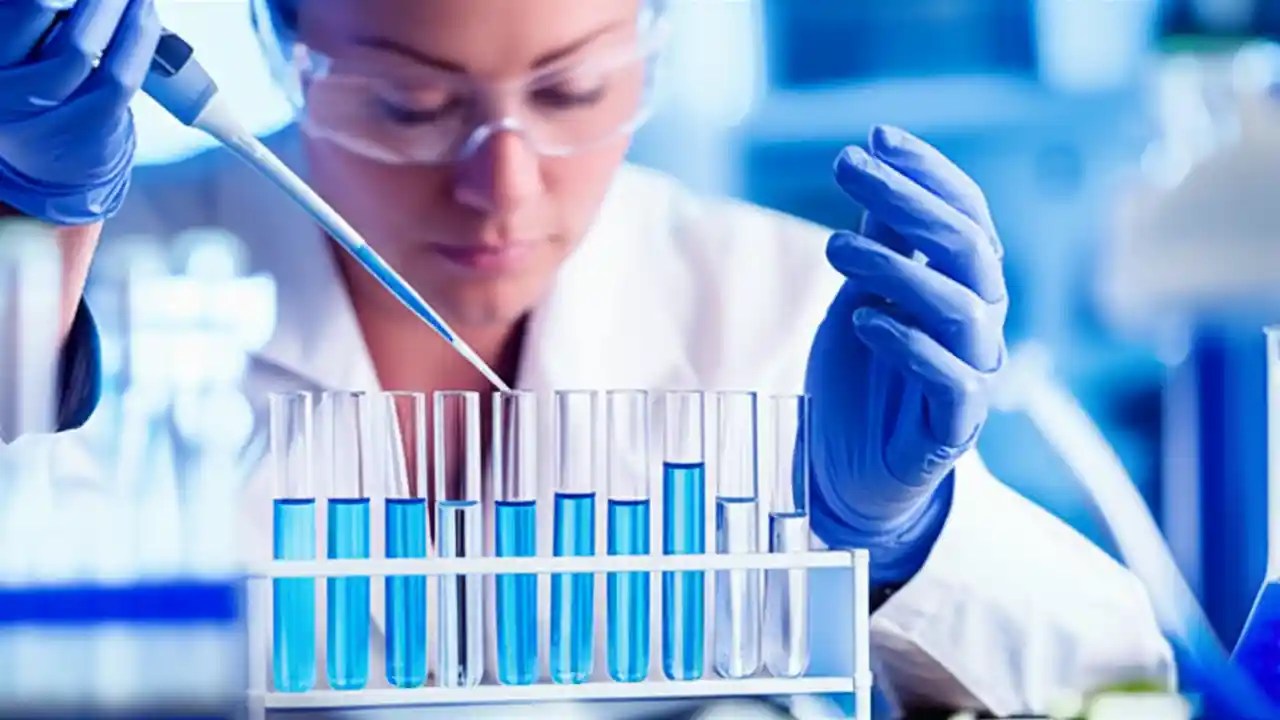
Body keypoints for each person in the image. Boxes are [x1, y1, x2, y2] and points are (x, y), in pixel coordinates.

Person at [0, 0, 1174, 714]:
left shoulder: (773, 309)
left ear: (651, 48)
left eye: (569, 91)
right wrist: (27, 276)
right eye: (409, 105)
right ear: (273, 41)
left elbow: (1118, 690)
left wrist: (904, 544)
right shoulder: (91, 269)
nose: (501, 186)